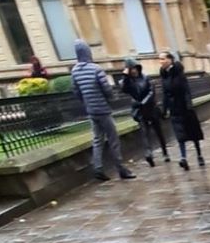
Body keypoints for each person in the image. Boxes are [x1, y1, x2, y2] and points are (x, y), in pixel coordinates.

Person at [71, 40, 134, 181]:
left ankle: (98, 168)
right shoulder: (96, 69)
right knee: (113, 140)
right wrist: (111, 98)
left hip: (91, 110)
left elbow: (76, 91)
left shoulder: (74, 71)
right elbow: (106, 88)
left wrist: (87, 102)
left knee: (97, 140)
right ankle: (121, 169)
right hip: (103, 109)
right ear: (88, 52)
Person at [121, 58, 170, 167]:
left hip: (151, 108)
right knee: (145, 133)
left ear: (137, 68)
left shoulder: (145, 78)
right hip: (140, 111)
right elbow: (124, 89)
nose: (133, 71)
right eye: (131, 69)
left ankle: (165, 152)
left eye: (134, 68)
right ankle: (148, 154)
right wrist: (125, 76)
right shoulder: (129, 81)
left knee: (159, 131)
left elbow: (151, 92)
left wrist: (143, 102)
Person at [160, 52, 204, 170]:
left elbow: (186, 90)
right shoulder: (164, 75)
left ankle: (199, 154)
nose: (161, 61)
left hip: (184, 107)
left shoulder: (179, 72)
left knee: (193, 133)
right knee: (179, 134)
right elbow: (165, 93)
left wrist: (189, 105)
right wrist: (164, 110)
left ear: (170, 60)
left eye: (163, 59)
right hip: (174, 109)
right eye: (160, 59)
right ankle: (183, 158)